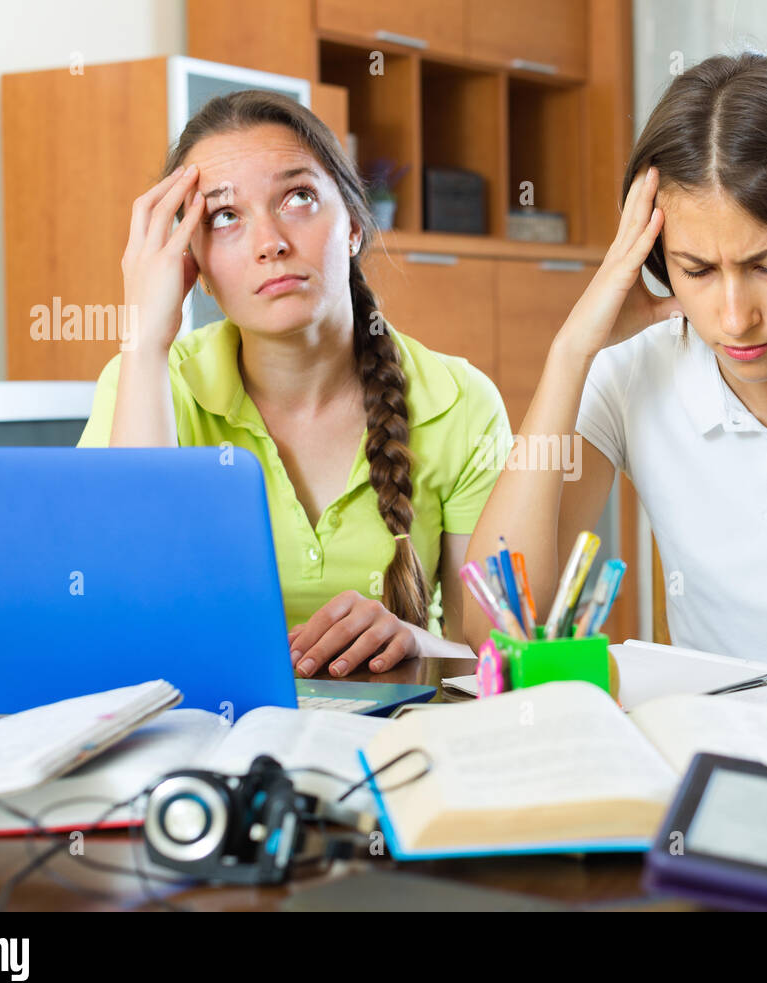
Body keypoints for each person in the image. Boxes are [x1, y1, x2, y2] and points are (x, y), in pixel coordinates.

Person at [465, 50, 767, 666]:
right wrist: (570, 352)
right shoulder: (631, 372)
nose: (734, 318)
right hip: (720, 748)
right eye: (695, 270)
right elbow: (495, 633)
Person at [78, 90, 510, 678]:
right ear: (194, 267)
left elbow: (496, 665)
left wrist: (417, 643)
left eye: (299, 198)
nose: (271, 242)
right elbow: (119, 614)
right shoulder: (147, 380)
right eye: (225, 217)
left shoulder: (460, 401)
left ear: (354, 225)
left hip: (398, 742)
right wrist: (144, 341)